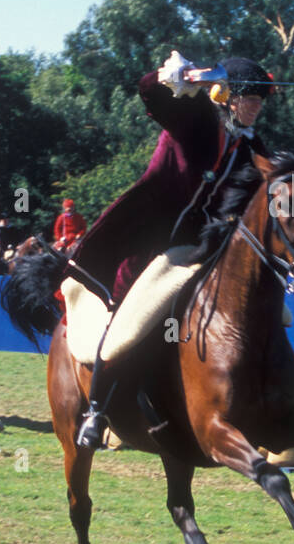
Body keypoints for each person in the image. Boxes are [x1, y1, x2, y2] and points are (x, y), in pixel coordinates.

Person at [70, 51, 278, 449]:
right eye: (249, 98)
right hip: (150, 248)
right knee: (128, 327)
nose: (256, 107)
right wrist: (185, 76)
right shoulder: (196, 119)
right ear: (224, 95)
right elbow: (150, 89)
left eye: (259, 101)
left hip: (200, 249)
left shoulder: (250, 145)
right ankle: (97, 411)